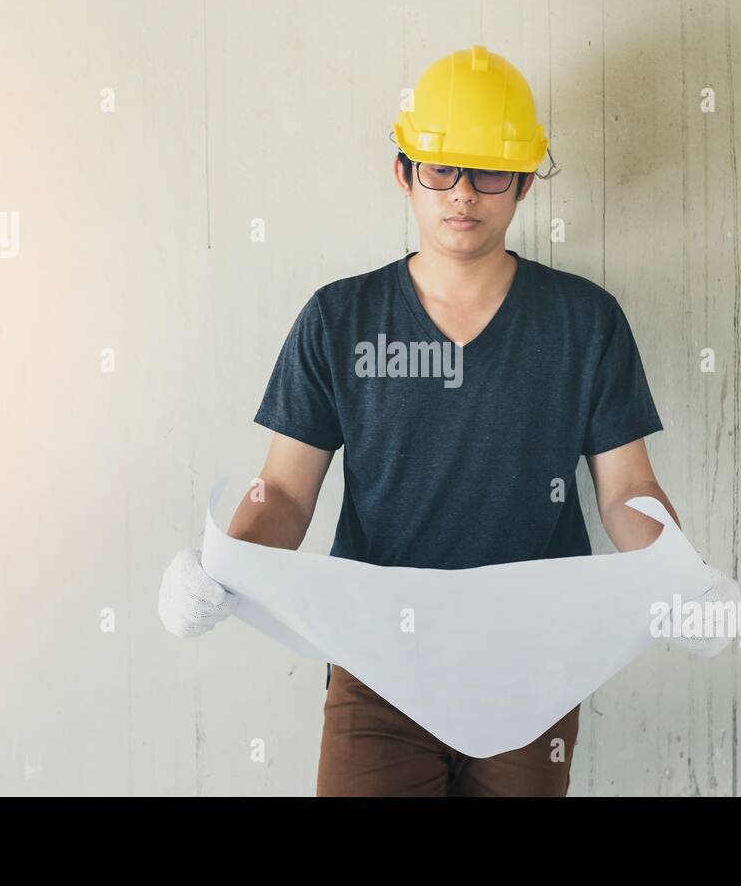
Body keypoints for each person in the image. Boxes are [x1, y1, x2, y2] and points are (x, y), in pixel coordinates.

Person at [161, 45, 711, 796]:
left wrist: (678, 575)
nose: (462, 194)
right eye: (440, 169)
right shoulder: (339, 319)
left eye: (489, 173)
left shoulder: (585, 322)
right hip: (377, 669)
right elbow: (284, 493)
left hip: (533, 672)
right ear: (404, 173)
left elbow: (626, 490)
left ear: (522, 183)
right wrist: (220, 563)